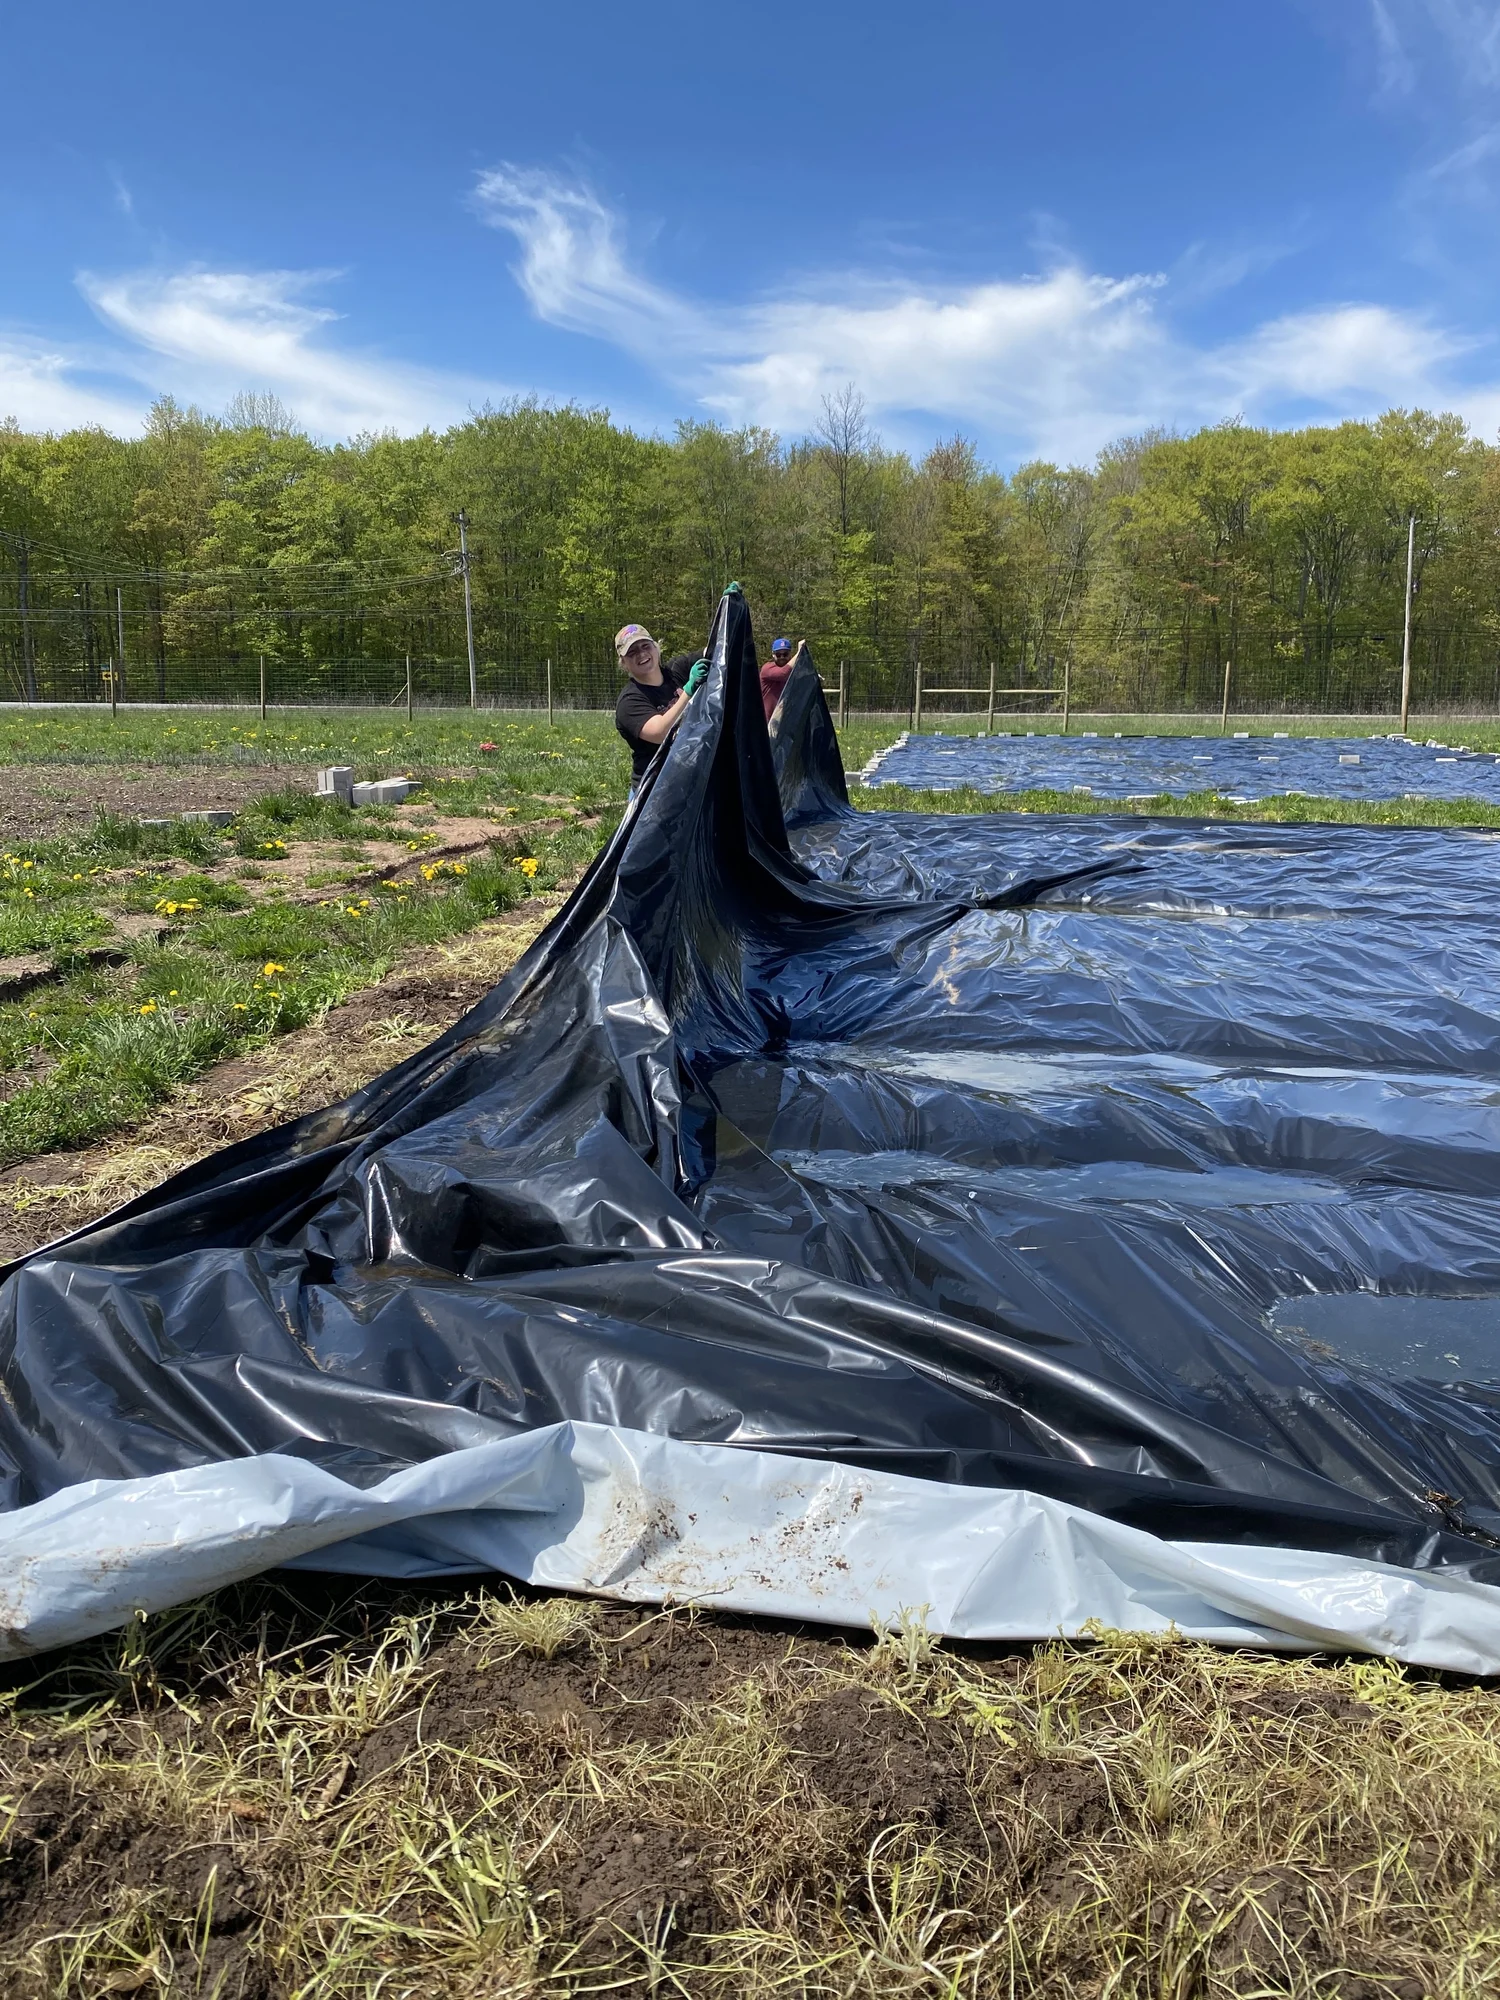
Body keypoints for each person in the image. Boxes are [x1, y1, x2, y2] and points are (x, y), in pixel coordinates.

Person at [613, 623, 706, 787]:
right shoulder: (630, 700)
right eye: (632, 652)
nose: (641, 654)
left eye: (646, 646)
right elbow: (660, 733)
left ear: (656, 648)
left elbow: (717, 649)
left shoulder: (677, 670)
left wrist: (729, 610)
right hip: (655, 789)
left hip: (692, 778)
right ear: (624, 663)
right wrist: (689, 691)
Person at [760, 636, 804, 721]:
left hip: (785, 722)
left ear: (790, 654)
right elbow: (783, 673)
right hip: (767, 721)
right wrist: (799, 652)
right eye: (778, 654)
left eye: (785, 654)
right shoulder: (767, 668)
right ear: (773, 654)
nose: (782, 657)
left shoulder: (793, 671)